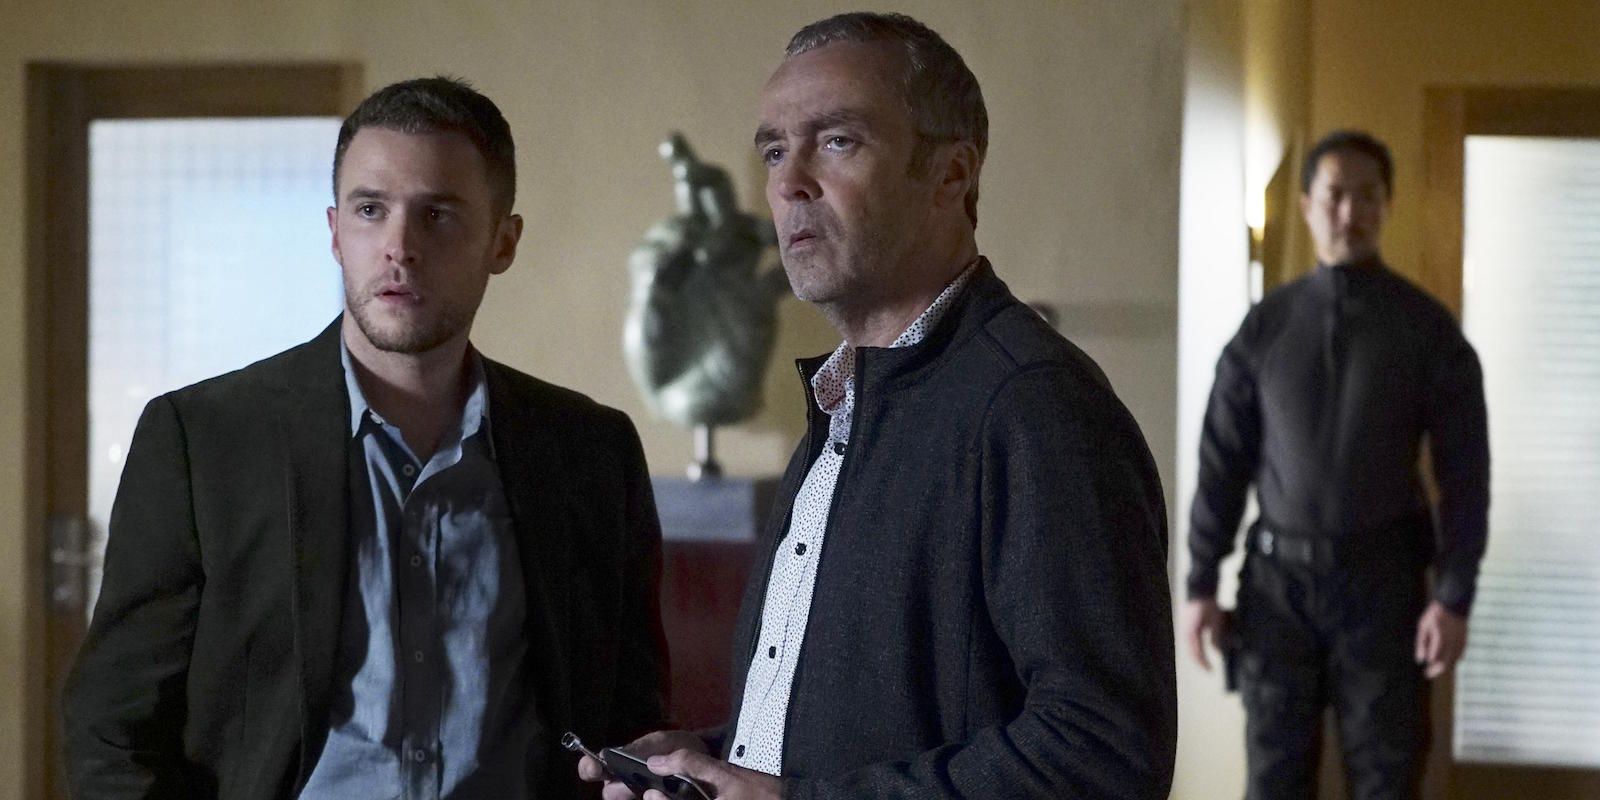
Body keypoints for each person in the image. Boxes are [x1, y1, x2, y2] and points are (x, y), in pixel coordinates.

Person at [581, 12, 1176, 799]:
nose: (788, 182)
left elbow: (1101, 751)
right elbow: (870, 727)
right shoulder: (846, 403)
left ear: (951, 175)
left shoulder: (1036, 408)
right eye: (773, 150)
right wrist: (715, 761)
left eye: (837, 142)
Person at [62, 77, 669, 799]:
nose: (398, 247)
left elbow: (630, 727)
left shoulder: (590, 453)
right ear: (334, 232)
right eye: (370, 210)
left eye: (437, 215)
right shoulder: (204, 441)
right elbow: (113, 730)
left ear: (502, 242)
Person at [1181, 130, 1490, 799]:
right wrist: (1201, 582)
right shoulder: (1264, 328)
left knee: (1387, 782)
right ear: (1307, 204)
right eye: (1335, 195)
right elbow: (1222, 462)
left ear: (1388, 204)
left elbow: (1467, 475)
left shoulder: (1427, 330)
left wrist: (1454, 595)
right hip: (1277, 593)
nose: (1351, 213)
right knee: (1273, 782)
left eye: (1367, 196)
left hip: (1384, 589)